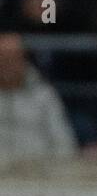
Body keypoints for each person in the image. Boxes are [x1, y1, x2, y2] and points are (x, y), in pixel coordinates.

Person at [0, 32, 78, 160]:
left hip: (38, 172)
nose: (7, 66)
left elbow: (63, 142)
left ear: (23, 60)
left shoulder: (44, 95)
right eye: (2, 59)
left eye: (12, 59)